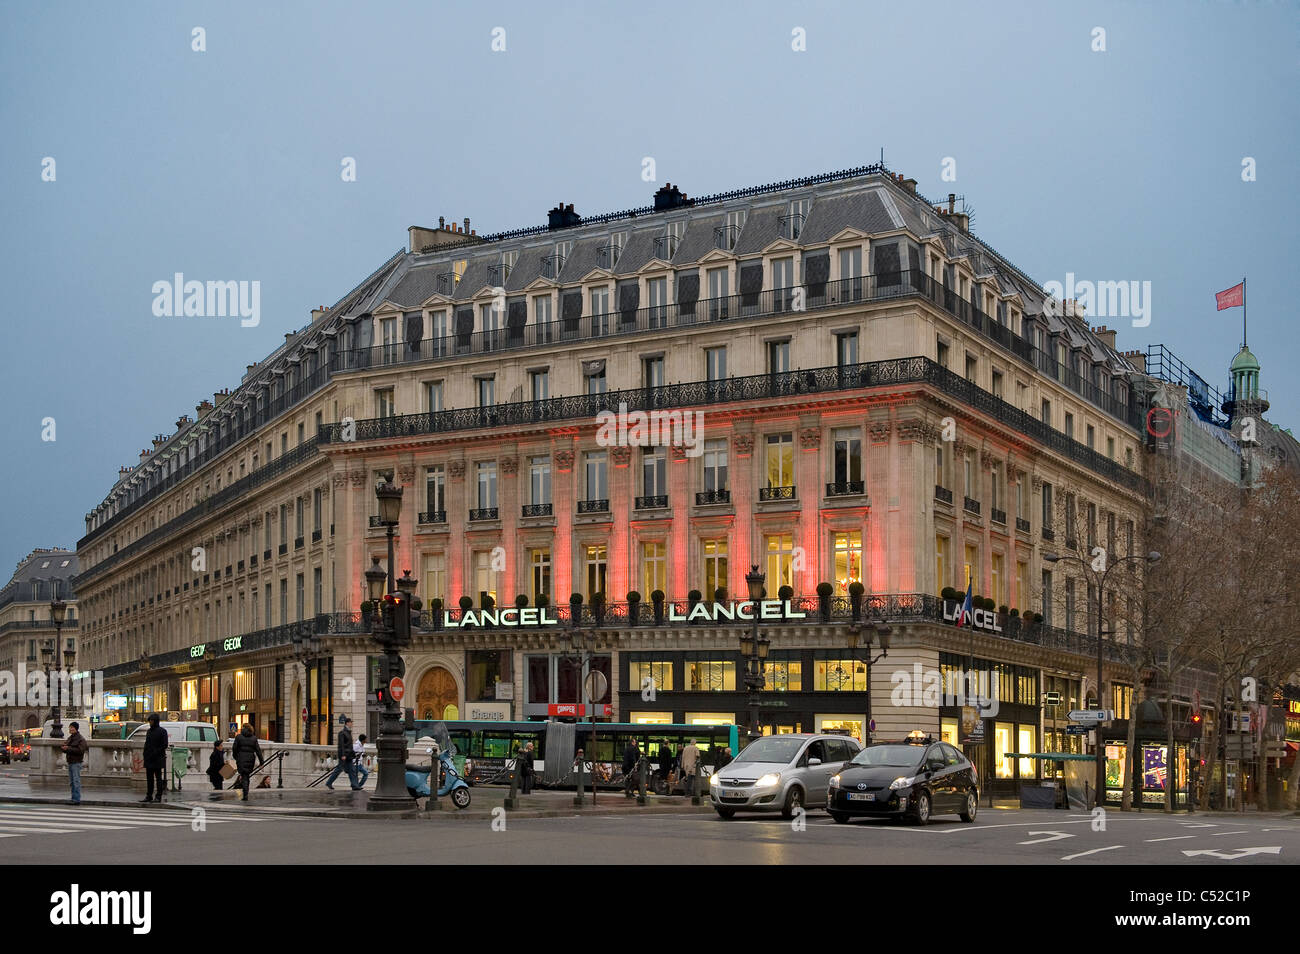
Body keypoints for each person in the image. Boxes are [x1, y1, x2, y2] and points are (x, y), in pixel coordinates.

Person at [325, 715, 361, 791]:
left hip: (349, 755)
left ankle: (354, 785)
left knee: (352, 770)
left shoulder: (348, 732)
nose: (352, 724)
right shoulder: (342, 733)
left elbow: (349, 745)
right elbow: (341, 745)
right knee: (338, 770)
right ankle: (329, 782)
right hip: (345, 756)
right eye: (351, 722)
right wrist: (343, 755)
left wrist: (353, 753)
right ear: (347, 723)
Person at [230, 723, 264, 801]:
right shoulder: (254, 738)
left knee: (244, 776)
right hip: (250, 759)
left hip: (241, 758)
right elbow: (258, 751)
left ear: (243, 728)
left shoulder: (238, 737)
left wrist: (236, 757)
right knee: (246, 776)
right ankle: (245, 794)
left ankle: (245, 795)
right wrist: (262, 762)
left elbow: (234, 748)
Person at [140, 713, 168, 803]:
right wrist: (145, 753)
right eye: (150, 721)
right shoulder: (149, 731)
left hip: (157, 758)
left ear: (155, 721)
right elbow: (147, 744)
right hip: (149, 758)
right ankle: (149, 795)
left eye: (151, 721)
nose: (150, 723)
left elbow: (164, 745)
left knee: (158, 778)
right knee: (150, 779)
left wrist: (156, 752)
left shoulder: (162, 731)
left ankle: (158, 796)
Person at [61, 721, 90, 805]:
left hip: (76, 762)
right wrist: (64, 748)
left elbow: (80, 750)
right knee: (72, 781)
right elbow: (66, 746)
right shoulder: (71, 738)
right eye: (70, 727)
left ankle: (76, 799)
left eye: (72, 727)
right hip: (70, 761)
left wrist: (68, 748)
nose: (70, 729)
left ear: (76, 729)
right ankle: (73, 798)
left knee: (76, 781)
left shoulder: (80, 739)